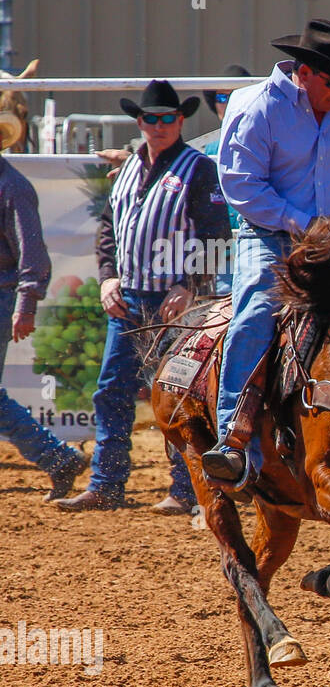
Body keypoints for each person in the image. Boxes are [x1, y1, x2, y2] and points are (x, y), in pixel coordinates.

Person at [201, 19, 330, 490]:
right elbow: (240, 184)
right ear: (305, 72)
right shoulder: (257, 108)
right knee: (257, 309)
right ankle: (233, 438)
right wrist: (301, 222)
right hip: (271, 235)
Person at [56, 80, 230, 513]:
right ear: (140, 122)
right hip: (129, 297)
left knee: (179, 394)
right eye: (152, 118)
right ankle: (106, 483)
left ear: (181, 120)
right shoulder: (131, 166)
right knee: (112, 389)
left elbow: (217, 236)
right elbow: (109, 231)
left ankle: (186, 490)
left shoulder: (198, 169)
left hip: (176, 307)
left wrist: (189, 285)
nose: (160, 125)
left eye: (168, 118)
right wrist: (107, 278)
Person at [0, 115, 89, 499]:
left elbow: (32, 254)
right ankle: (57, 458)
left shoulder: (12, 186)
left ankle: (56, 457)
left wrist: (26, 302)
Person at [193, 64, 252, 295]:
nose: (228, 102)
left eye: (236, 94)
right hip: (222, 255)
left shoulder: (270, 143)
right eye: (221, 97)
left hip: (259, 250)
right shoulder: (207, 150)